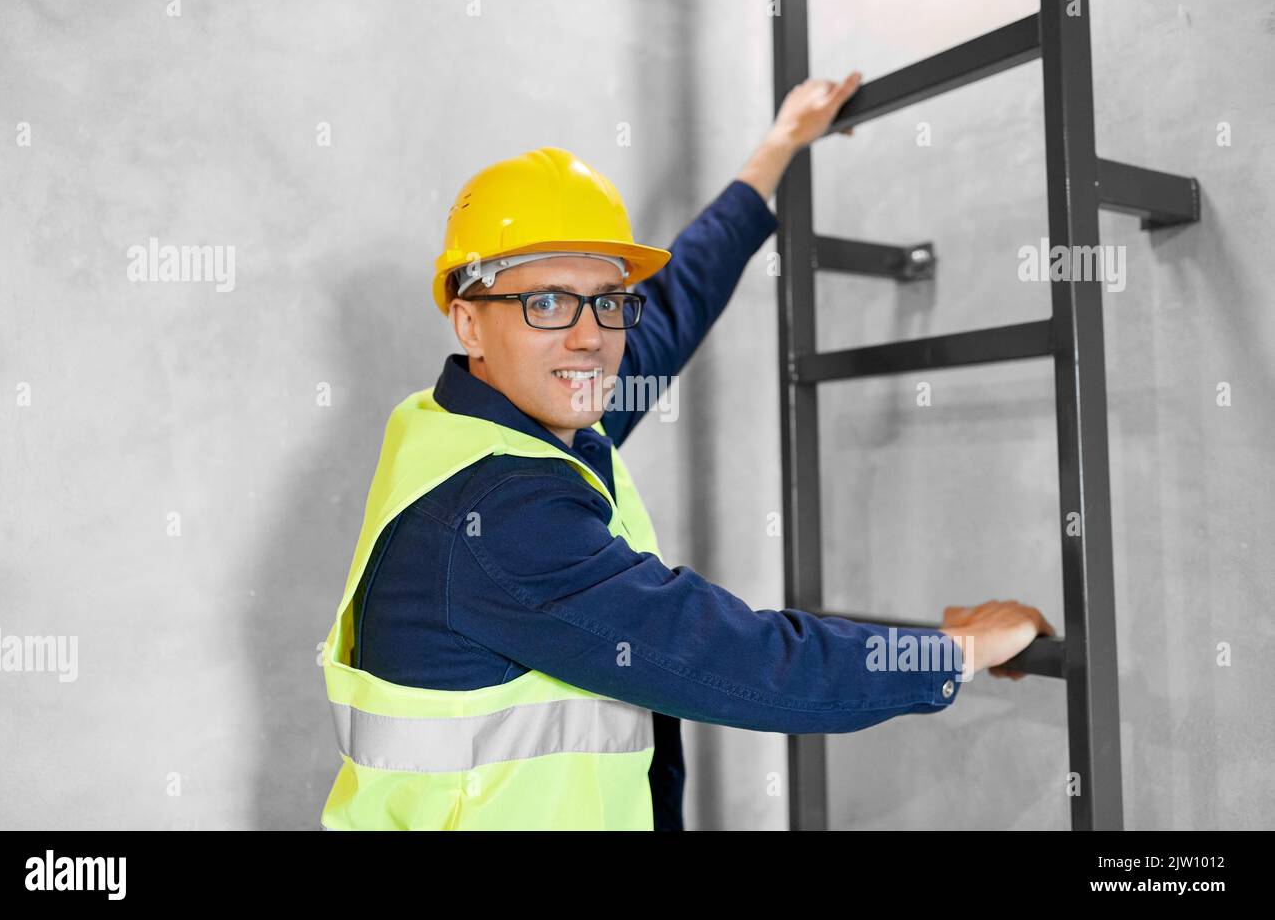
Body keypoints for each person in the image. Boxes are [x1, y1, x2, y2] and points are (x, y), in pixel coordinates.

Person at [318, 75, 1053, 830]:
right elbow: (743, 660)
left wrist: (778, 149)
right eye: (545, 302)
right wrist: (956, 650)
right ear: (469, 325)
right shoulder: (498, 512)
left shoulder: (495, 417)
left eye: (607, 301)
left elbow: (670, 310)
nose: (589, 336)